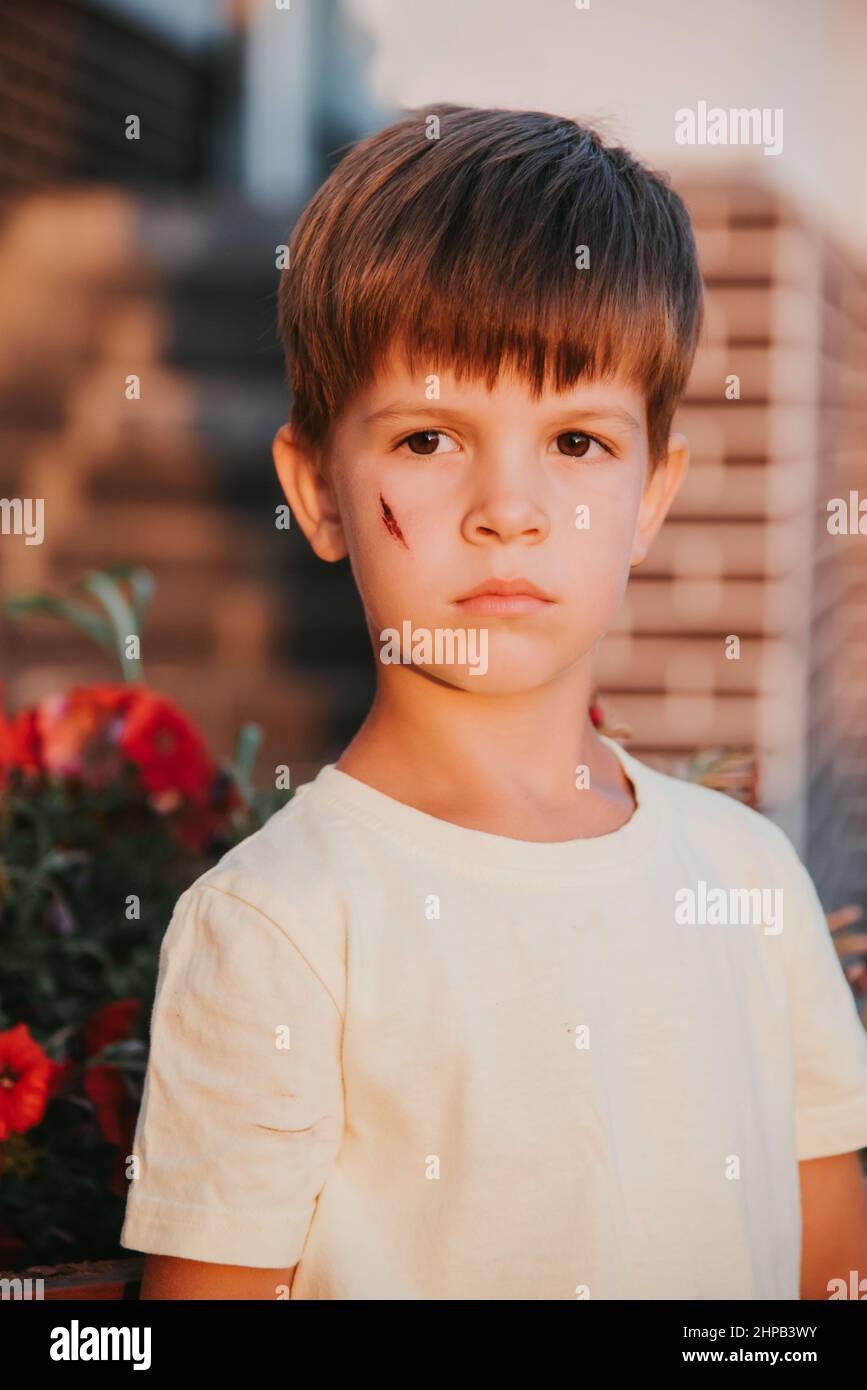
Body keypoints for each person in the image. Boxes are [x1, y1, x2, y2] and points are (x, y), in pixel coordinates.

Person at [121, 105, 867, 1300]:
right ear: (316, 490)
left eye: (576, 442)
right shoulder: (284, 928)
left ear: (654, 494)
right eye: (428, 438)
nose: (508, 506)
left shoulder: (750, 880)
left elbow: (831, 1269)